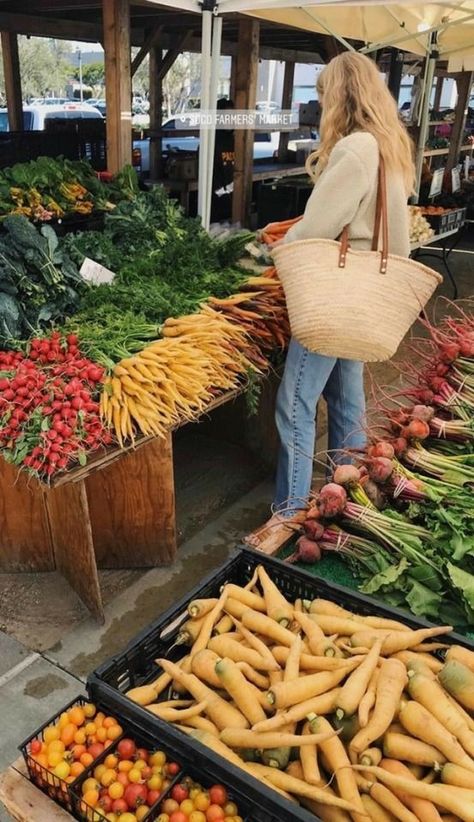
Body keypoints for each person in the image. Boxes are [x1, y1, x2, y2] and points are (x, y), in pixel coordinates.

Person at [247, 52, 414, 547]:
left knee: (295, 403)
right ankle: (351, 492)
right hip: (364, 298)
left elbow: (316, 228)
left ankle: (290, 512)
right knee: (346, 397)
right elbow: (398, 245)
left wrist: (272, 249)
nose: (319, 105)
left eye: (322, 95)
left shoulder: (356, 150)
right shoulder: (389, 149)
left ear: (340, 96)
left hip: (332, 297)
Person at [211, 98, 235, 223]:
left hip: (233, 204)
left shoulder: (237, 141)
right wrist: (222, 194)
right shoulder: (210, 143)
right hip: (216, 207)